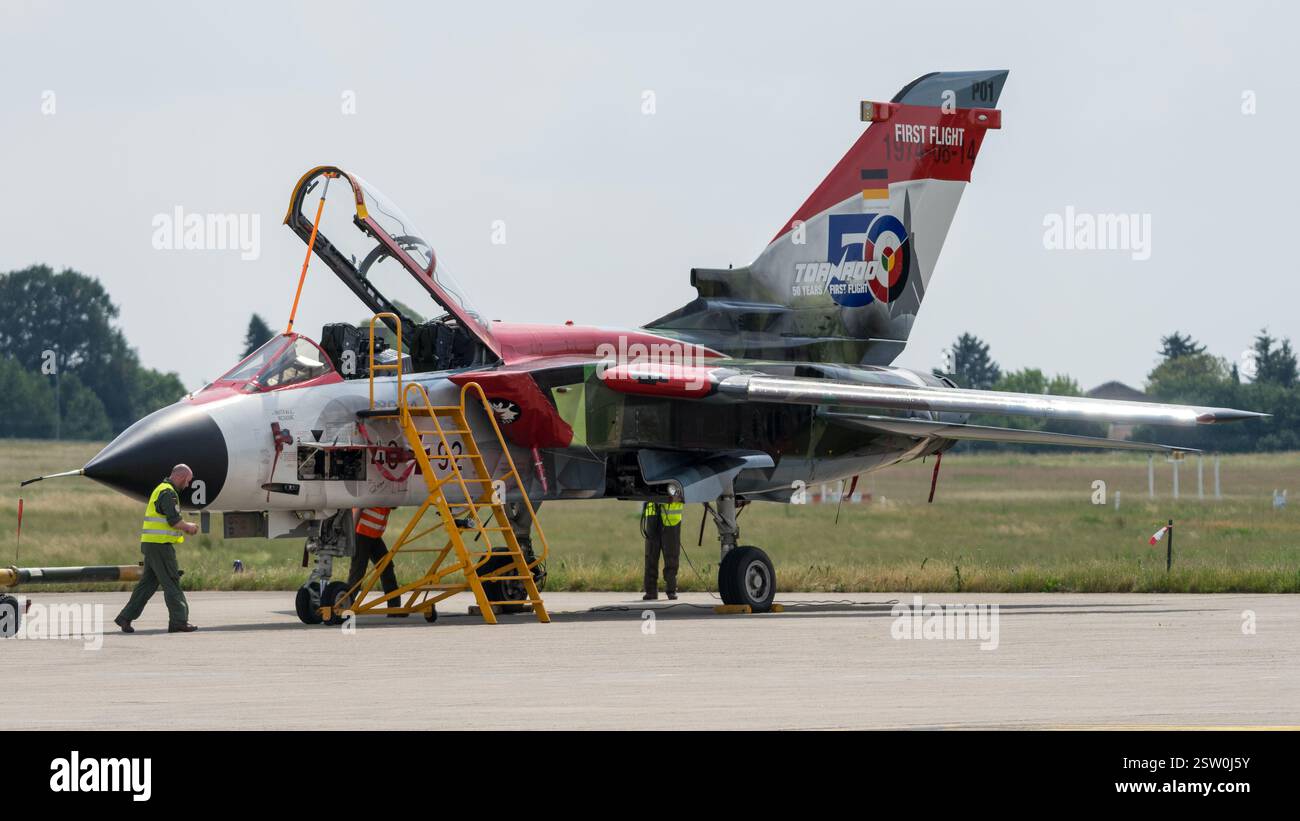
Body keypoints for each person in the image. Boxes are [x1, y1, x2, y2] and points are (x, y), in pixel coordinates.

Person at [114, 465, 200, 633]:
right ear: (182, 478)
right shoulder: (168, 493)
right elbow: (173, 520)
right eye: (188, 481)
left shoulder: (161, 489)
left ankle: (125, 617)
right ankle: (179, 621)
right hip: (160, 546)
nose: (188, 485)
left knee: (148, 584)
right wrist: (189, 527)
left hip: (152, 544)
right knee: (171, 581)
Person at [347, 506, 404, 616]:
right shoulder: (373, 491)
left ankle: (394, 608)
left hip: (375, 536)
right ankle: (346, 605)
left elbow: (394, 506)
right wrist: (351, 534)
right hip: (361, 534)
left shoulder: (386, 494)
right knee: (358, 572)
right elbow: (359, 507)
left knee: (386, 567)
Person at [642, 499, 684, 600]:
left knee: (671, 555)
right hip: (652, 516)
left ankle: (671, 590)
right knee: (651, 554)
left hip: (671, 520)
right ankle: (651, 591)